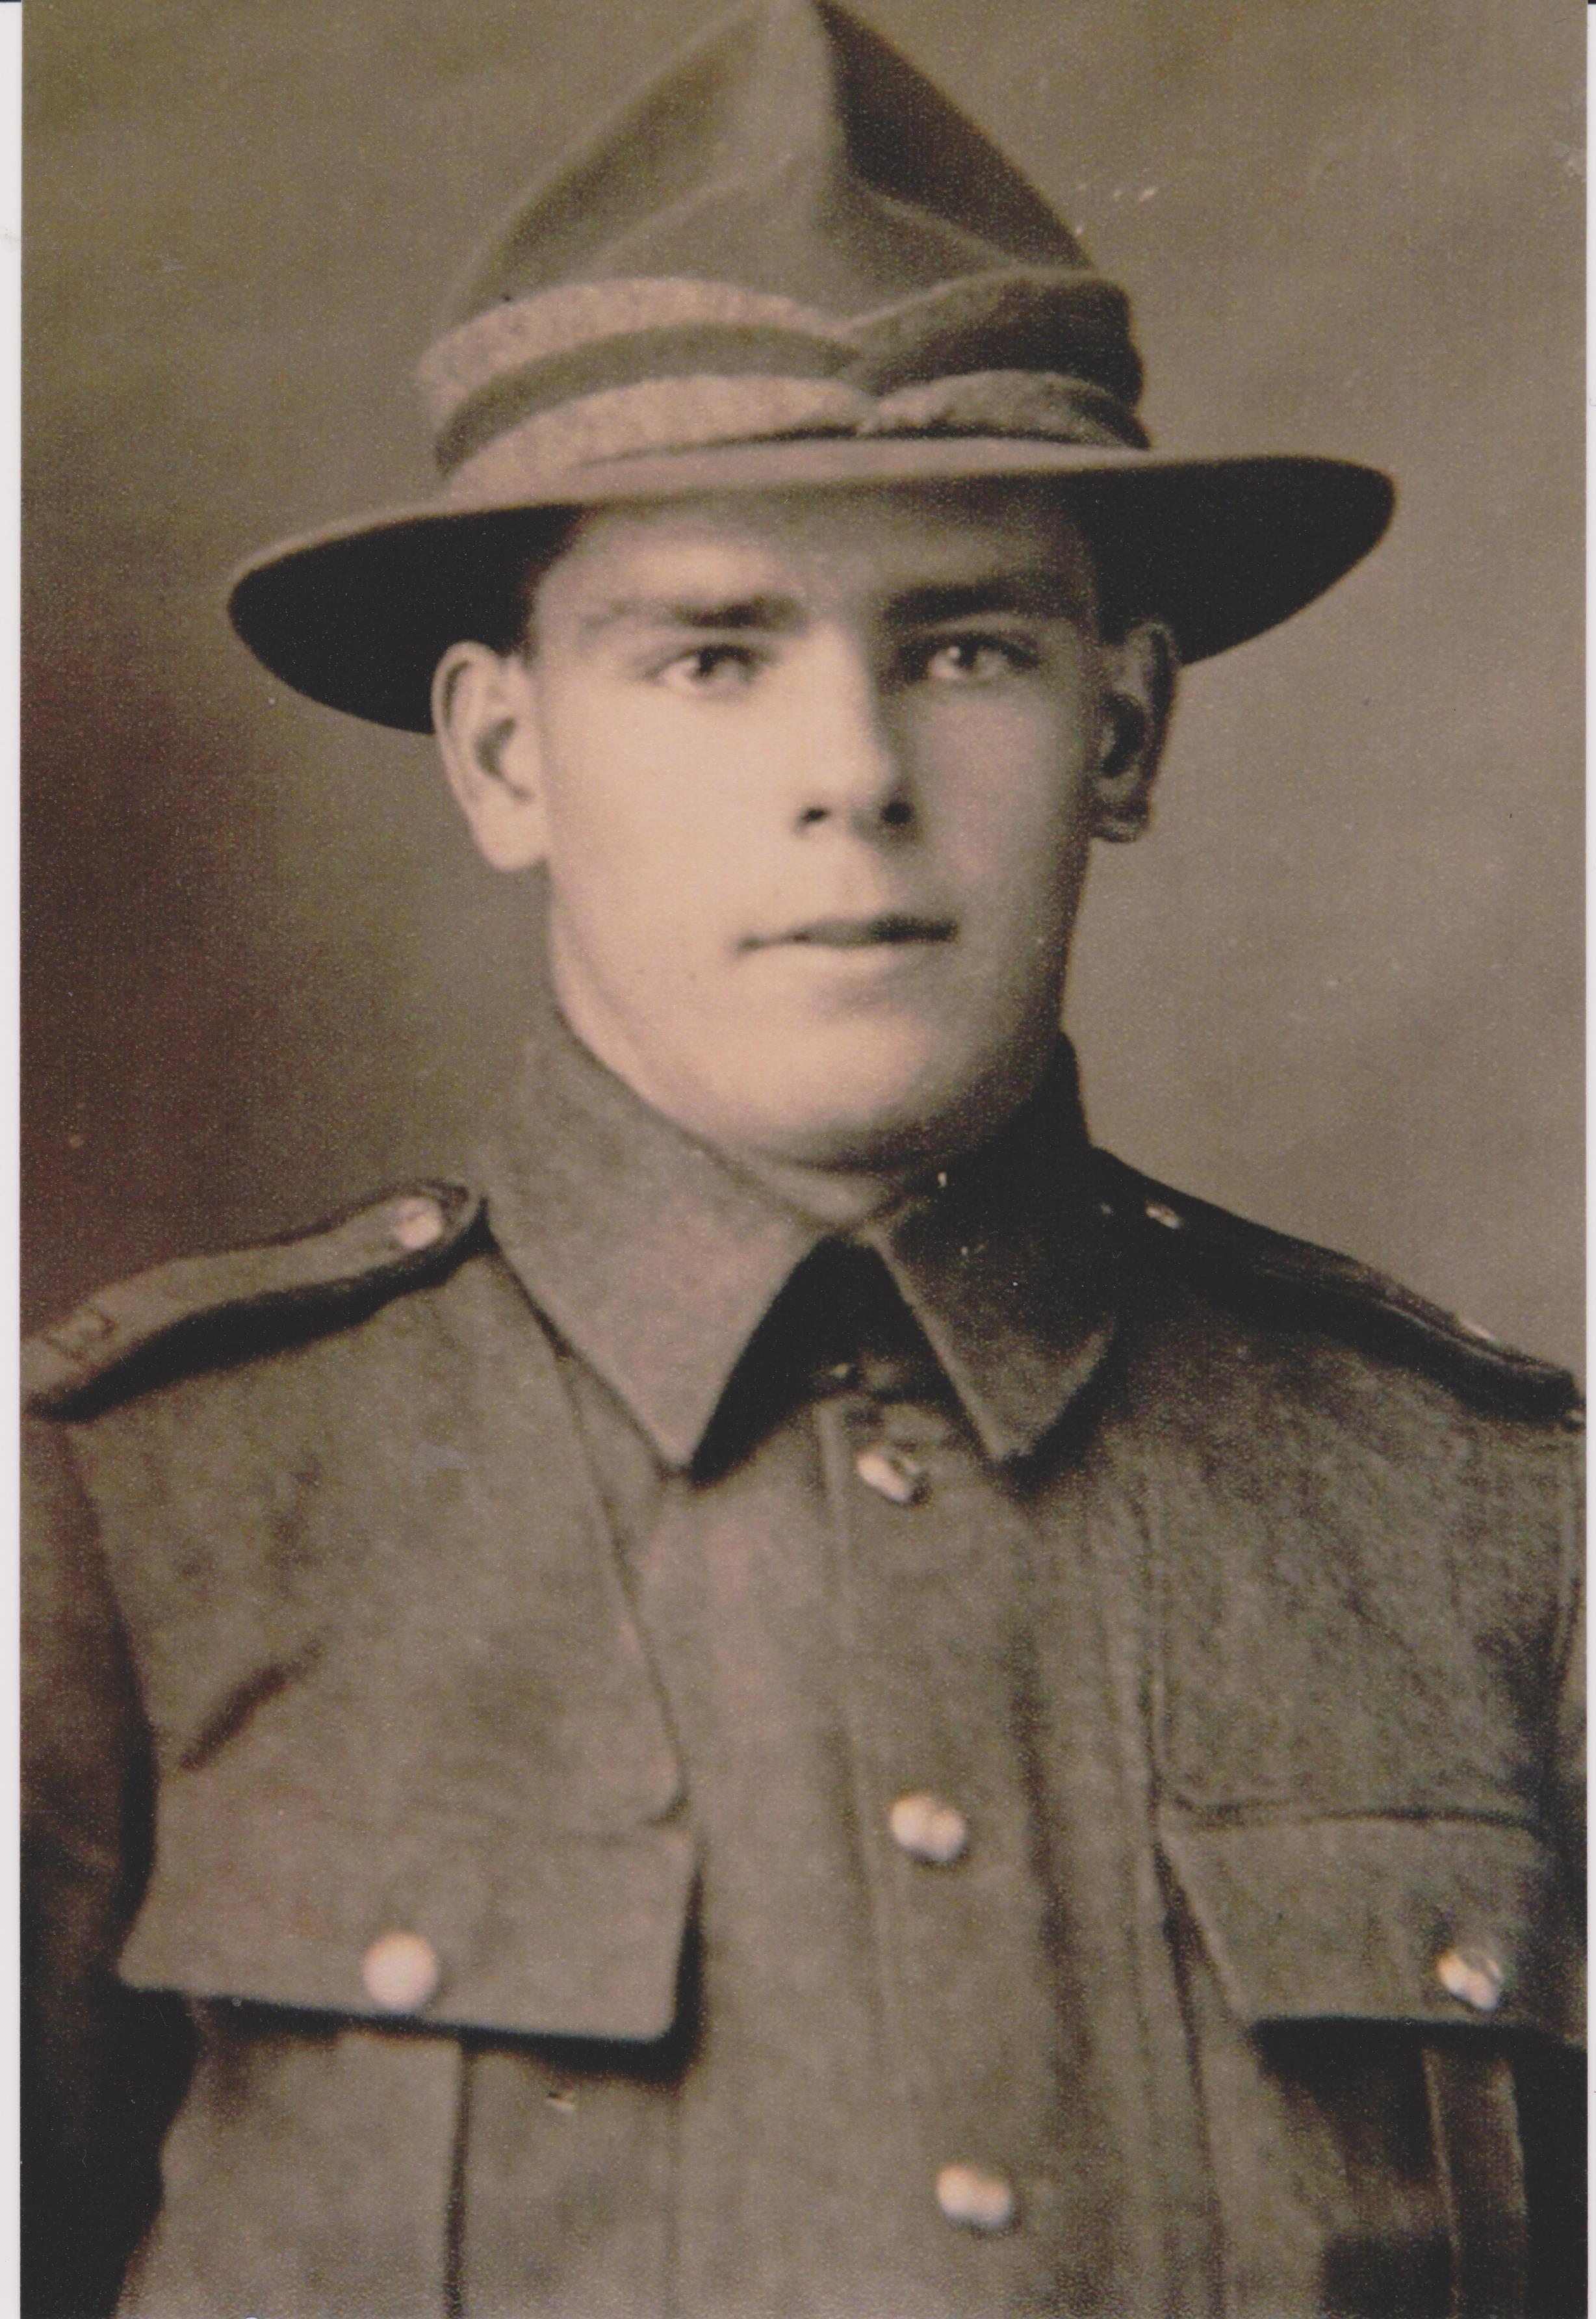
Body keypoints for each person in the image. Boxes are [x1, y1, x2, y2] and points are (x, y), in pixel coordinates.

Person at [21, 3, 1582, 2315]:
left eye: (963, 649)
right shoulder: (141, 1526)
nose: (849, 768)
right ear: (502, 754)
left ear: (1126, 726)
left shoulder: (1484, 1529)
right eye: (713, 657)